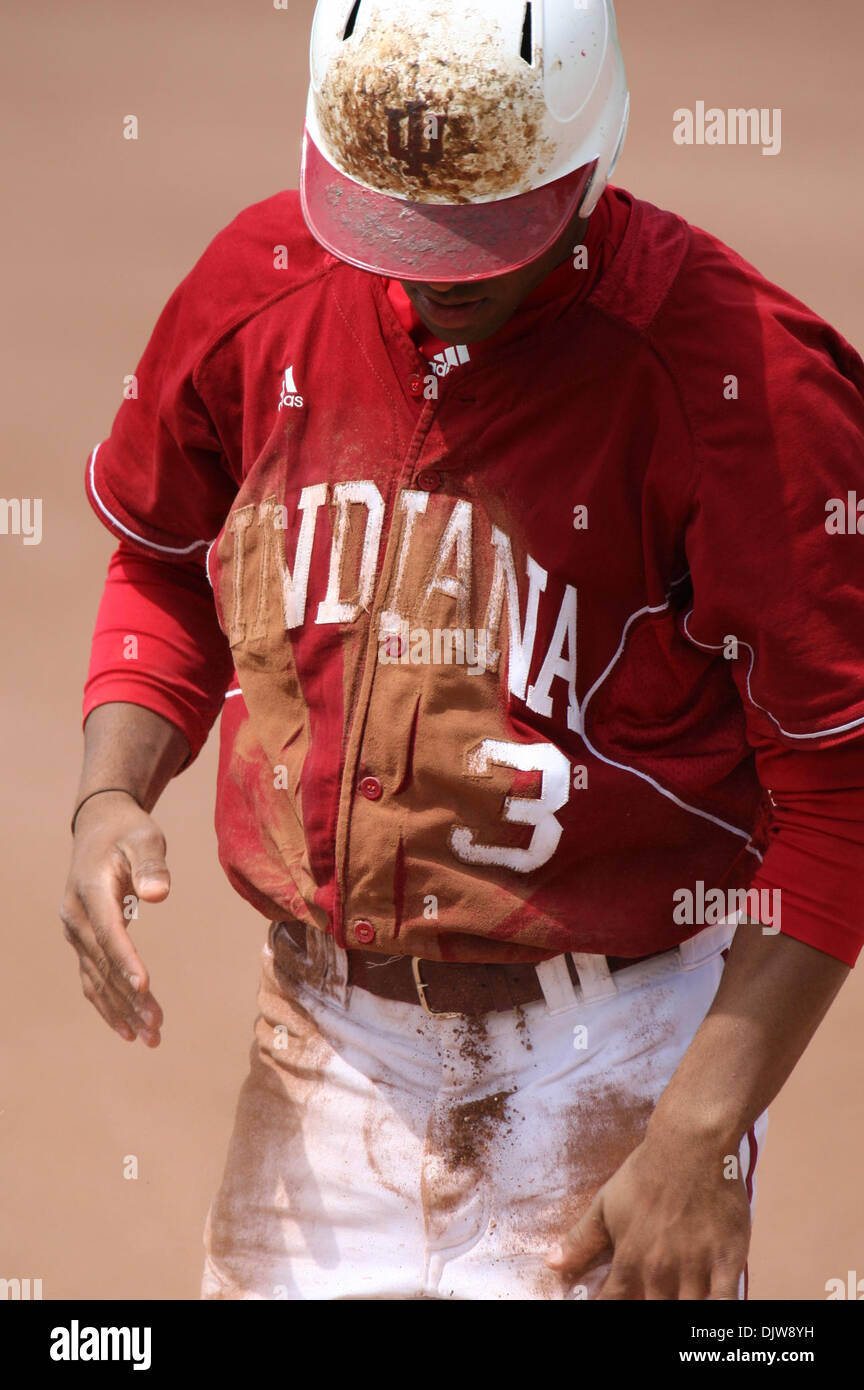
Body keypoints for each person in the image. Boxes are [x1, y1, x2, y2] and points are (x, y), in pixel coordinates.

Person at [61, 0, 864, 1301]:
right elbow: (162, 557)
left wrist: (700, 1132)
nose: (437, 265)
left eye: (484, 225)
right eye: (391, 216)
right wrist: (109, 794)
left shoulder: (745, 388)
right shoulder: (256, 295)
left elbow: (841, 790)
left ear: (589, 159)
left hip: (618, 1045)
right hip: (321, 1033)